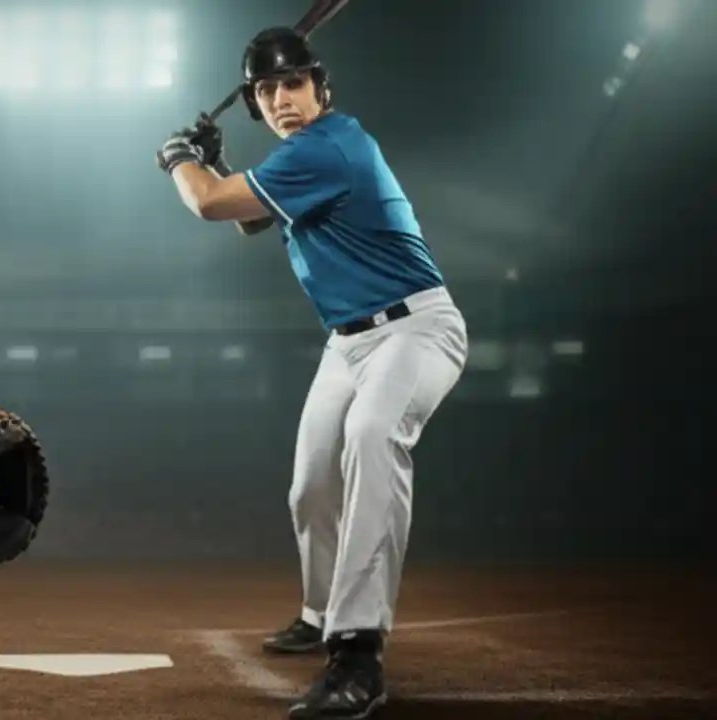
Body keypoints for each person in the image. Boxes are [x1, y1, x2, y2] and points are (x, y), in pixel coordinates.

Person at [157, 28, 468, 719]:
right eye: (265, 90)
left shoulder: (330, 144)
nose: (279, 99)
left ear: (319, 89)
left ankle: (357, 654)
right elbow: (249, 222)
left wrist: (183, 160)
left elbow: (209, 204)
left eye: (292, 83)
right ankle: (320, 609)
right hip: (349, 343)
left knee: (372, 436)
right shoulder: (299, 161)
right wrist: (218, 162)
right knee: (310, 484)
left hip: (415, 328)